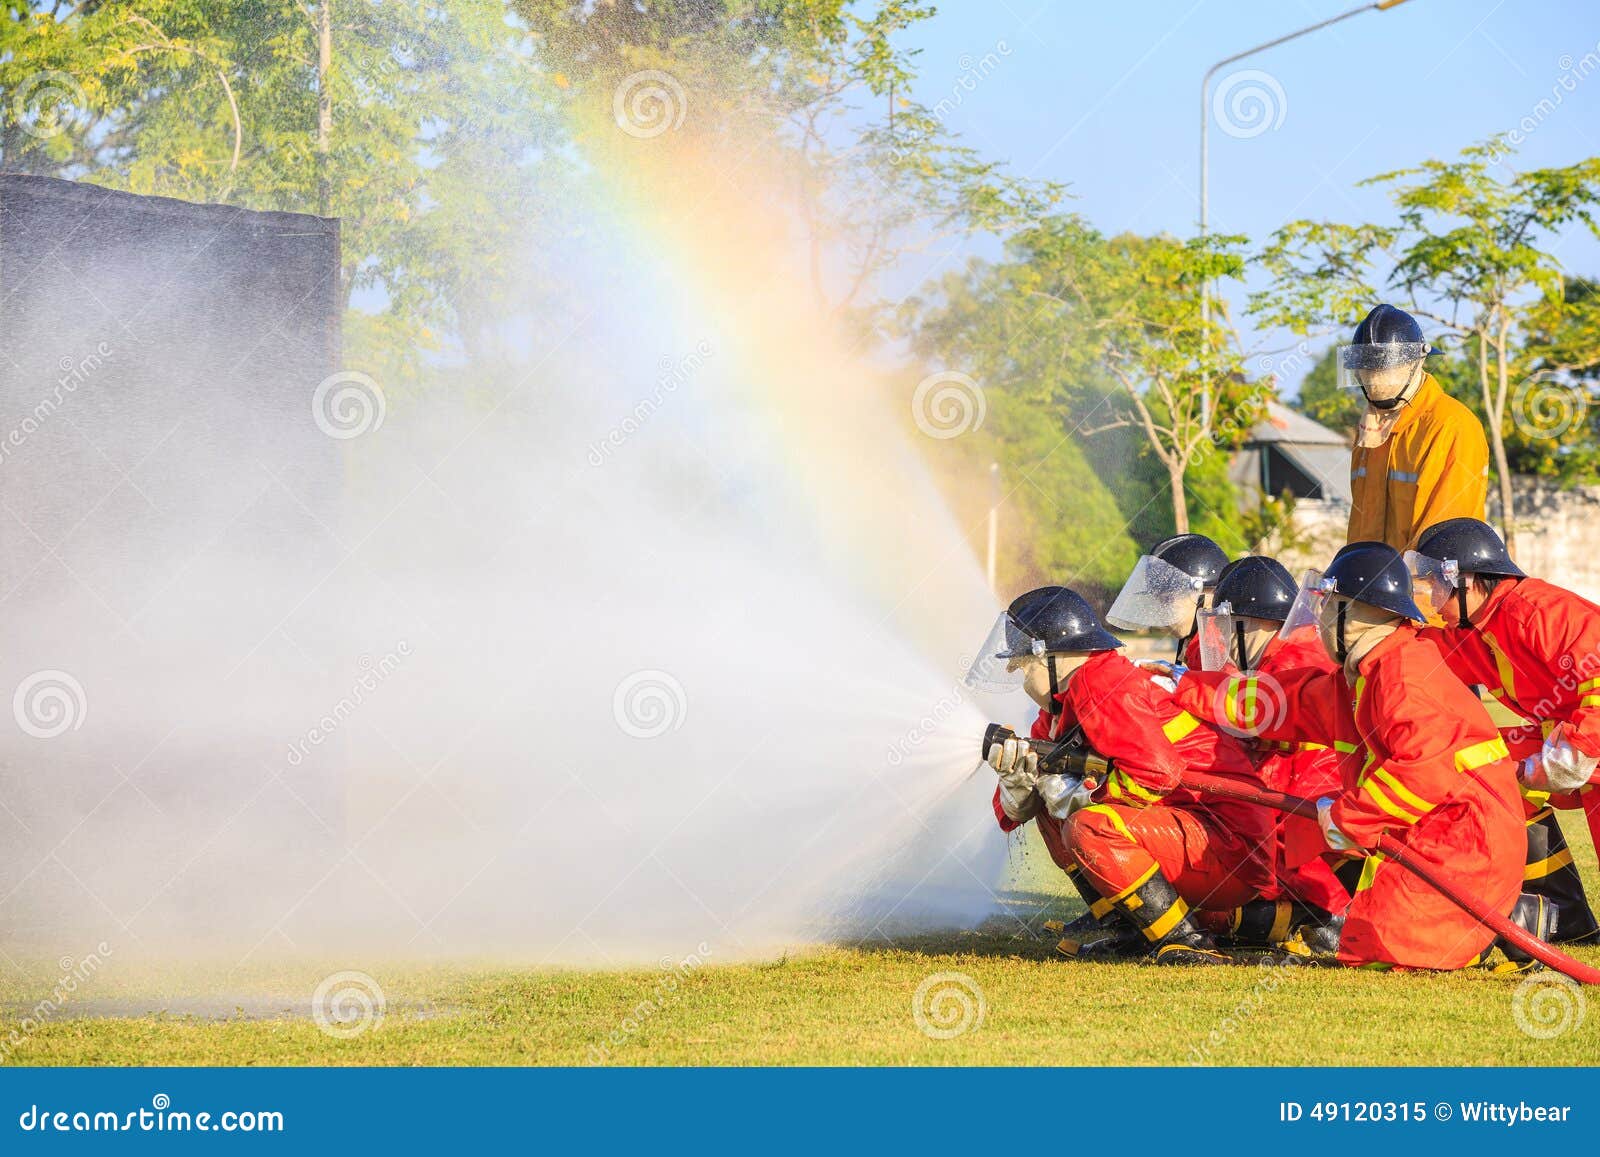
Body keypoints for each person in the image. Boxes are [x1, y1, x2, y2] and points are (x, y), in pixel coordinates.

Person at [1167, 543, 1530, 971]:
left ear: (1356, 613)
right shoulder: (1362, 674)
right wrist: (1183, 687)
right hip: (1441, 836)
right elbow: (1286, 702)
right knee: (1366, 944)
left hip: (1464, 842)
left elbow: (1421, 772)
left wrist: (1347, 819)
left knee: (1386, 952)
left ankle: (1503, 928)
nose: (1317, 621)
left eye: (1328, 607)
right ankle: (1507, 923)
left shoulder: (1402, 675)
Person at [969, 586, 1271, 966]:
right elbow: (1016, 815)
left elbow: (1156, 777)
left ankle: (1186, 943)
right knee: (1050, 806)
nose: (1020, 677)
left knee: (1089, 825)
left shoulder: (1101, 683)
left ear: (1050, 657)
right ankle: (1129, 927)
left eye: (1021, 665)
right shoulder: (1058, 710)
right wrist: (1018, 781)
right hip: (1200, 835)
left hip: (1228, 843)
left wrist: (1082, 797)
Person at [1407, 517, 1600, 943]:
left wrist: (1567, 756)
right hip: (1574, 740)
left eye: (1437, 584)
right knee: (1487, 771)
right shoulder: (1481, 628)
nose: (1433, 598)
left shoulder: (1537, 610)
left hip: (1587, 740)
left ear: (1468, 580)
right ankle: (1566, 919)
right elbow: (1417, 653)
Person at [1202, 556, 1348, 954]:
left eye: (1229, 626)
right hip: (1310, 801)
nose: (1222, 639)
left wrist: (1182, 690)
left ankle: (1333, 919)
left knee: (1259, 852)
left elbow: (1259, 723)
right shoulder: (1282, 654)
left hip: (1318, 806)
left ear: (1255, 621)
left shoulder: (1292, 659)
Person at [1342, 304, 1488, 550]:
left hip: (1429, 584)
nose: (1372, 377)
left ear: (1416, 363)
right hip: (1375, 584)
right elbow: (1362, 532)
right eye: (1367, 367)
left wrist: (1404, 584)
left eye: (1382, 367)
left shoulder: (1451, 425)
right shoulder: (1370, 429)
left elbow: (1445, 542)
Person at [1106, 533, 1229, 664]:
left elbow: (1228, 683)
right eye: (1158, 600)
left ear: (1205, 597)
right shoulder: (1196, 643)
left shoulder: (1217, 648)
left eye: (1168, 599)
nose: (1162, 610)